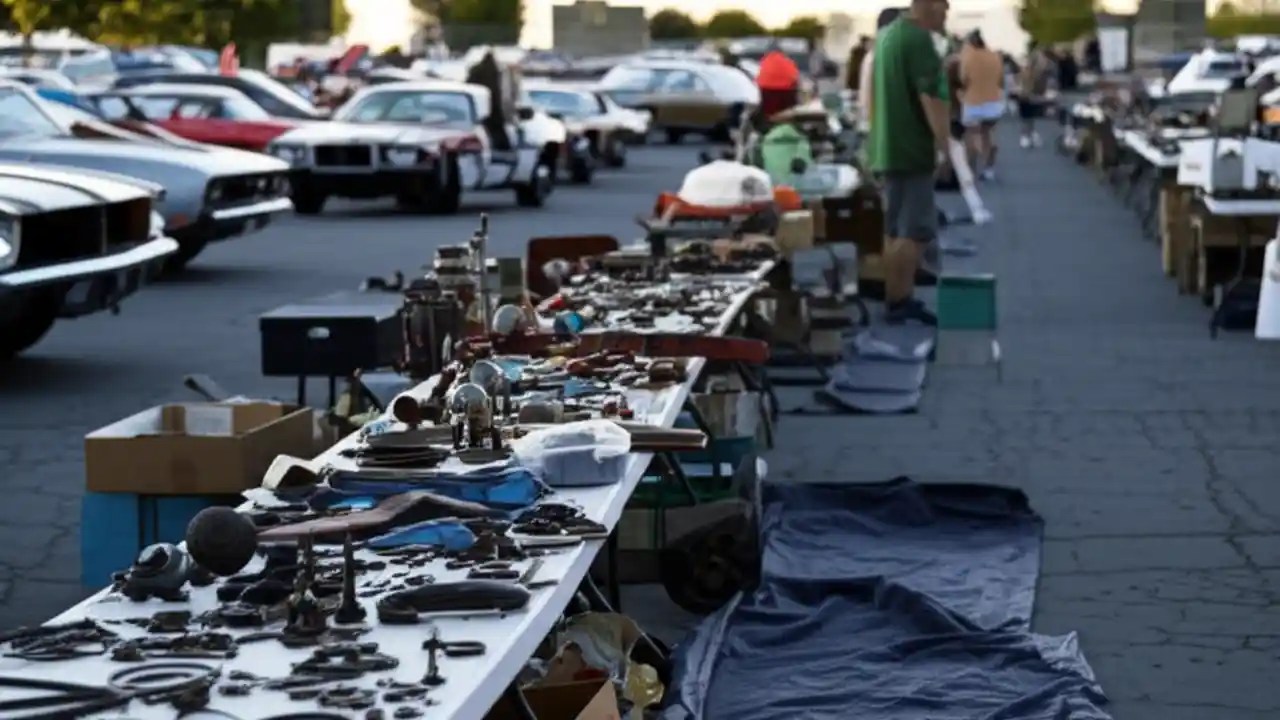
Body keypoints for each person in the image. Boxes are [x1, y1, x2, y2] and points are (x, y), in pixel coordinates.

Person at [868, 0, 951, 326]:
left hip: (887, 147)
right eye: (944, 6)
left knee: (895, 229)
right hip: (910, 150)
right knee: (914, 231)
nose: (946, 12)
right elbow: (930, 97)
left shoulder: (889, 35)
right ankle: (899, 301)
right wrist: (944, 149)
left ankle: (897, 297)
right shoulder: (918, 40)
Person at [958, 30, 1004, 180]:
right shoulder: (994, 57)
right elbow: (1000, 79)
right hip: (993, 101)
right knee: (988, 134)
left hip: (973, 100)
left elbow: (963, 79)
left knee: (971, 134)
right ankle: (989, 168)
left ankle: (971, 169)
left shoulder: (968, 57)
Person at [1018, 41, 1055, 149]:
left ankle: (1030, 135)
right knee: (1027, 117)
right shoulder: (1029, 72)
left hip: (1033, 95)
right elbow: (1025, 85)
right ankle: (1026, 136)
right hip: (1027, 96)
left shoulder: (1042, 72)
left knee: (1031, 117)